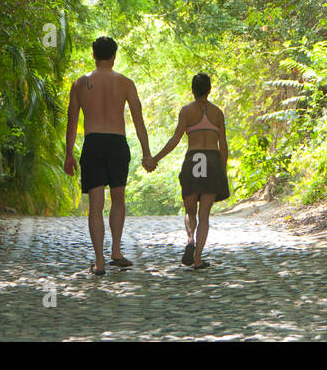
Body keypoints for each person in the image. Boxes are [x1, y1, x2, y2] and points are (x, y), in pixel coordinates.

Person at [63, 36, 154, 275]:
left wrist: (68, 154)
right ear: (114, 56)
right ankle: (116, 251)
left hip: (93, 143)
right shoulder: (125, 83)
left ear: (93, 55)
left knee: (95, 205)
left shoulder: (80, 84)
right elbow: (138, 122)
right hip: (116, 143)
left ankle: (99, 261)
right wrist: (147, 153)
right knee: (118, 198)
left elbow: (72, 123)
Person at [145, 72, 228, 270]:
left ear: (193, 90)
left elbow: (175, 140)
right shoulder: (217, 113)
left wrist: (155, 159)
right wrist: (222, 172)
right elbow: (223, 146)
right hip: (212, 161)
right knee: (205, 215)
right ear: (209, 89)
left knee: (191, 211)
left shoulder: (186, 111)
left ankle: (190, 240)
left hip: (193, 161)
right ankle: (198, 258)